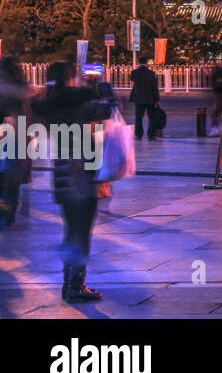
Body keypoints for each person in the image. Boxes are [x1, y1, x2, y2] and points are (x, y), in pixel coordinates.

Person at [30, 61, 115, 303]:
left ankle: (69, 284)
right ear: (69, 78)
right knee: (82, 230)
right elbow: (108, 110)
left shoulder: (46, 103)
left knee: (71, 229)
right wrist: (101, 85)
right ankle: (76, 286)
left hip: (62, 171)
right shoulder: (79, 103)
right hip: (82, 170)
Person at [0, 57, 35, 227]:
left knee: (7, 177)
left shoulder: (8, 89)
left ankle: (7, 212)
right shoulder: (25, 90)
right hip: (18, 137)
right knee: (12, 178)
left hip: (11, 136)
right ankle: (9, 214)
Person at [128, 60, 161, 141]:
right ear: (146, 63)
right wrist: (157, 99)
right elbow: (155, 87)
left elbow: (132, 79)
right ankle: (151, 135)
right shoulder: (151, 73)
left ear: (139, 63)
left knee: (138, 118)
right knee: (152, 118)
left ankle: (138, 135)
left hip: (139, 98)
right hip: (150, 98)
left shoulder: (134, 72)